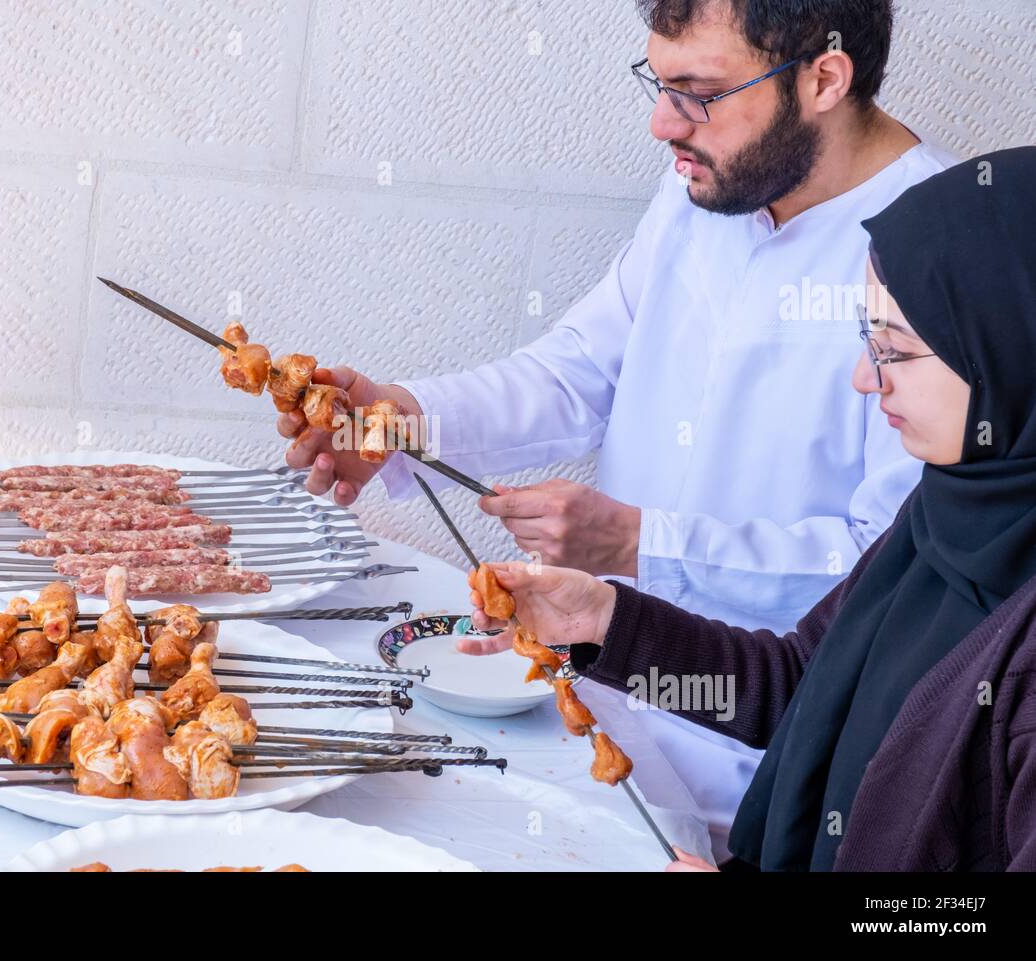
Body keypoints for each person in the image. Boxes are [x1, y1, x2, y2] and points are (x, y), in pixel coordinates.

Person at [276, 0, 956, 846]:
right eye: (659, 82)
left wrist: (641, 543)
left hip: (756, 768)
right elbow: (577, 371)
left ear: (824, 77)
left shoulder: (944, 251)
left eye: (697, 92)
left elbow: (884, 570)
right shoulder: (708, 182)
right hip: (599, 701)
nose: (661, 122)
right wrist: (410, 420)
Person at [463, 148, 1036, 871]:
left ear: (1010, 353)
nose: (865, 378)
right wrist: (600, 624)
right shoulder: (942, 515)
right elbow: (798, 683)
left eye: (894, 351)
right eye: (866, 340)